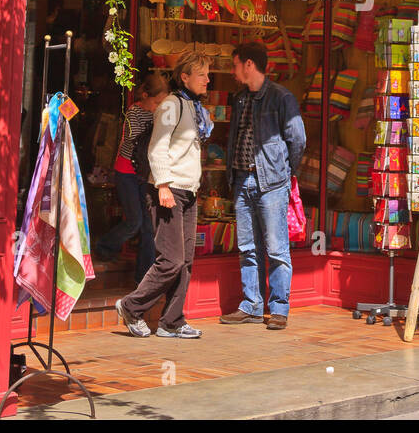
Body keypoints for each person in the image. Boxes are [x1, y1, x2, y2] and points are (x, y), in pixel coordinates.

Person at [115, 50, 211, 339]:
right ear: (184, 77)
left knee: (186, 261)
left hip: (188, 190)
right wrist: (164, 185)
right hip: (170, 190)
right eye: (202, 74)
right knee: (171, 259)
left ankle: (172, 321)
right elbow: (157, 146)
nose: (208, 80)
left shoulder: (194, 107)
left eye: (208, 74)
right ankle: (131, 306)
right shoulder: (171, 105)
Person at [219, 41, 306, 330]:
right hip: (242, 179)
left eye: (235, 65)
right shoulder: (240, 98)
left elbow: (298, 140)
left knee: (277, 248)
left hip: (271, 182)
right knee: (247, 247)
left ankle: (279, 308)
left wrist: (283, 172)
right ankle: (252, 305)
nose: (232, 71)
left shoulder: (281, 97)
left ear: (248, 64)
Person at [92, 72, 169, 284]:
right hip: (126, 173)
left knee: (148, 227)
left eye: (162, 103)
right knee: (135, 221)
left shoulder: (159, 114)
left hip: (145, 174)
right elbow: (133, 137)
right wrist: (159, 127)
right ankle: (104, 247)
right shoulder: (133, 113)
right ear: (144, 95)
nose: (158, 106)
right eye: (156, 102)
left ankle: (143, 276)